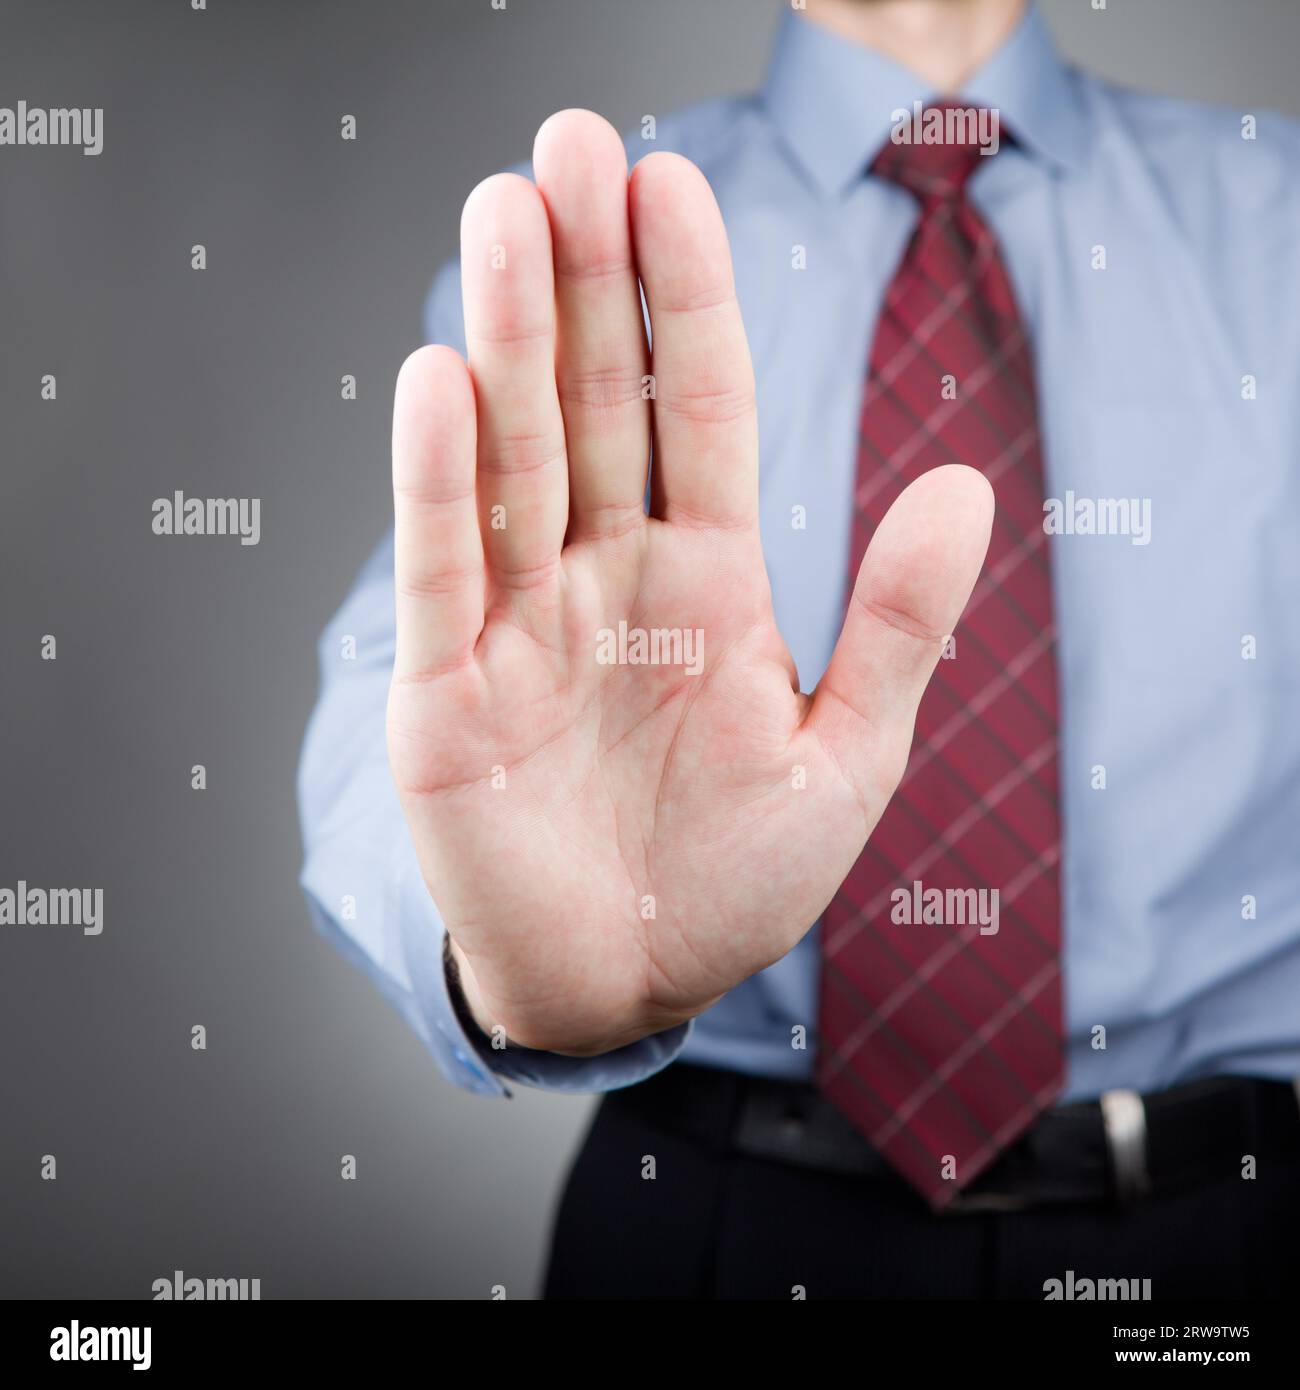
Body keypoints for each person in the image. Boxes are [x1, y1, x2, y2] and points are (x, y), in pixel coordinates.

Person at [297, 0, 1300, 1298]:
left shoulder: (1277, 217)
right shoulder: (582, 254)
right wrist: (495, 949)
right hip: (718, 1224)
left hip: (1231, 1235)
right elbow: (412, 677)